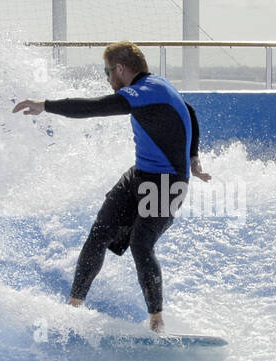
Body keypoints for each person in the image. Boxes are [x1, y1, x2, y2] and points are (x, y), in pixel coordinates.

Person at [12, 41, 209, 333]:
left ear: (120, 69)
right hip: (140, 175)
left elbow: (96, 107)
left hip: (168, 182)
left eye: (107, 72)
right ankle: (73, 308)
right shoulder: (157, 86)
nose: (107, 79)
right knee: (99, 234)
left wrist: (45, 106)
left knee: (141, 243)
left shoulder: (145, 91)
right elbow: (189, 110)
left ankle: (157, 322)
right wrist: (193, 154)